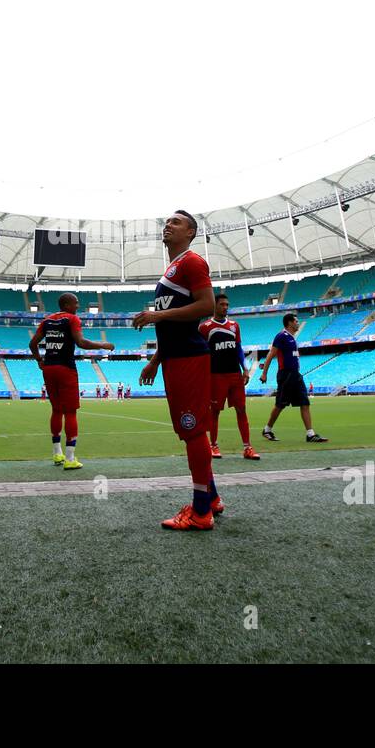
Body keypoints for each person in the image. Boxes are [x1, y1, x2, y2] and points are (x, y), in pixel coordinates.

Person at [135, 211, 220, 530]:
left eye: (176, 222)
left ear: (191, 233)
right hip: (175, 358)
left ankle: (200, 513)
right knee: (189, 431)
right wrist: (157, 359)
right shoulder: (172, 270)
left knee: (193, 429)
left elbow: (206, 306)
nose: (167, 225)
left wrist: (157, 316)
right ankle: (210, 498)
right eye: (166, 222)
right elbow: (172, 322)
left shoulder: (192, 262)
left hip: (188, 358)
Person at [29, 292, 114, 469]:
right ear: (67, 305)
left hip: (49, 368)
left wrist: (39, 360)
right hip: (65, 368)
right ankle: (70, 459)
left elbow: (32, 344)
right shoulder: (72, 319)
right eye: (76, 303)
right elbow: (81, 342)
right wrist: (103, 345)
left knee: (56, 410)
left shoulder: (47, 321)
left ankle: (57, 454)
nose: (78, 306)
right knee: (70, 412)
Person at [199, 293, 260, 460]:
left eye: (227, 304)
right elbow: (201, 353)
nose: (225, 307)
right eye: (222, 304)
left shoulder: (234, 325)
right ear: (214, 306)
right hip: (216, 375)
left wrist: (245, 369)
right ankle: (213, 446)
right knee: (215, 411)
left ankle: (247, 448)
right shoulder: (205, 327)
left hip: (235, 374)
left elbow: (238, 348)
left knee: (242, 409)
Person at [259, 313, 326, 443]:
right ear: (289, 323)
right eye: (296, 321)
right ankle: (267, 429)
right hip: (286, 375)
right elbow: (271, 354)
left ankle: (310, 434)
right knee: (280, 404)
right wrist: (264, 373)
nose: (298, 323)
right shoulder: (281, 336)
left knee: (305, 402)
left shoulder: (292, 338)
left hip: (296, 375)